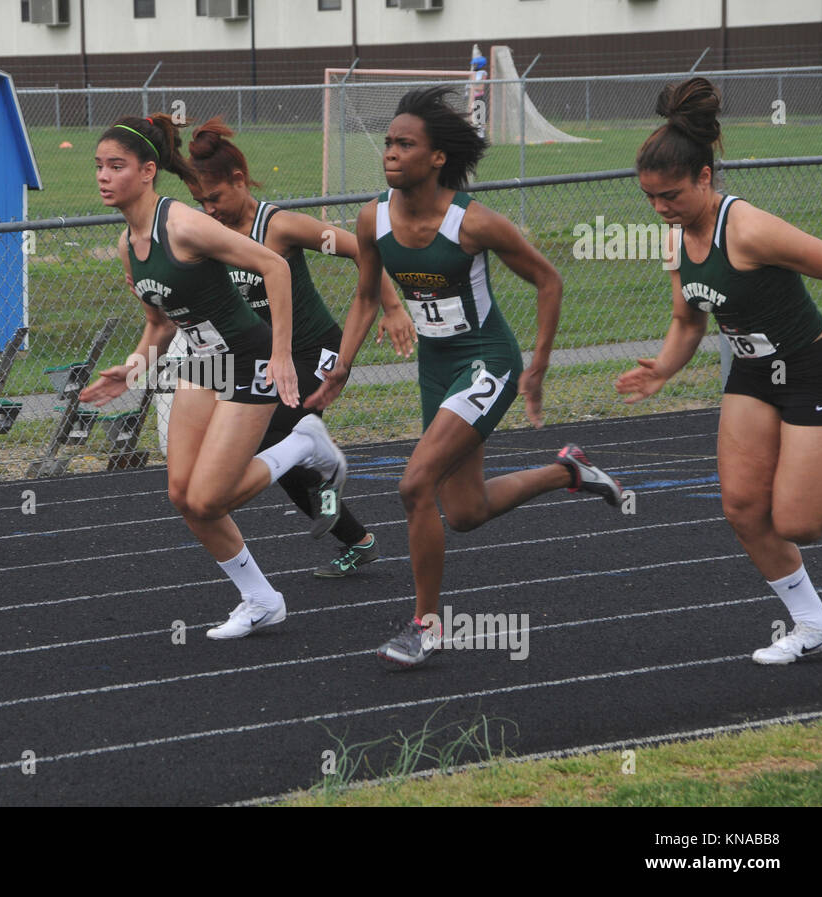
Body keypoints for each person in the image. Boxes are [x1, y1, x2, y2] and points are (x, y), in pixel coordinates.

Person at [307, 86, 623, 668]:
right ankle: (567, 471)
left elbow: (549, 280)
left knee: (413, 483)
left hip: (486, 363)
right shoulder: (372, 218)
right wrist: (342, 366)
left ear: (437, 159)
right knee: (466, 511)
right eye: (388, 143)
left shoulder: (475, 225)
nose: (390, 153)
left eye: (406, 144)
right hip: (437, 369)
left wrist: (539, 366)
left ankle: (425, 627)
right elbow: (363, 298)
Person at [80, 113, 347, 639]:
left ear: (148, 171)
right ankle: (261, 598)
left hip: (249, 357)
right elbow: (158, 323)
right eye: (98, 167)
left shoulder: (181, 223)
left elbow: (273, 266)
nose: (103, 176)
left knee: (210, 499)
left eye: (117, 166)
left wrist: (280, 353)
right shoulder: (125, 245)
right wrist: (133, 368)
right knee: (182, 495)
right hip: (202, 362)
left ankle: (303, 445)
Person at [616, 76, 822, 665]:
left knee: (799, 520)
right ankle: (813, 624)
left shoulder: (751, 228)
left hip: (811, 367)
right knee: (741, 507)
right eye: (650, 198)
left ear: (705, 177)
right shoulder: (675, 239)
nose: (661, 208)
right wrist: (662, 368)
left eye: (673, 195)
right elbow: (688, 322)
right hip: (753, 374)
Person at [185, 117, 412, 578]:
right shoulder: (213, 237)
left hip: (316, 351)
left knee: (273, 439)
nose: (209, 210)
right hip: (271, 359)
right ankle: (359, 541)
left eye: (215, 198)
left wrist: (392, 305)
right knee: (282, 464)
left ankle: (328, 473)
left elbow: (359, 249)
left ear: (238, 181)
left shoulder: (280, 226)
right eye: (199, 203)